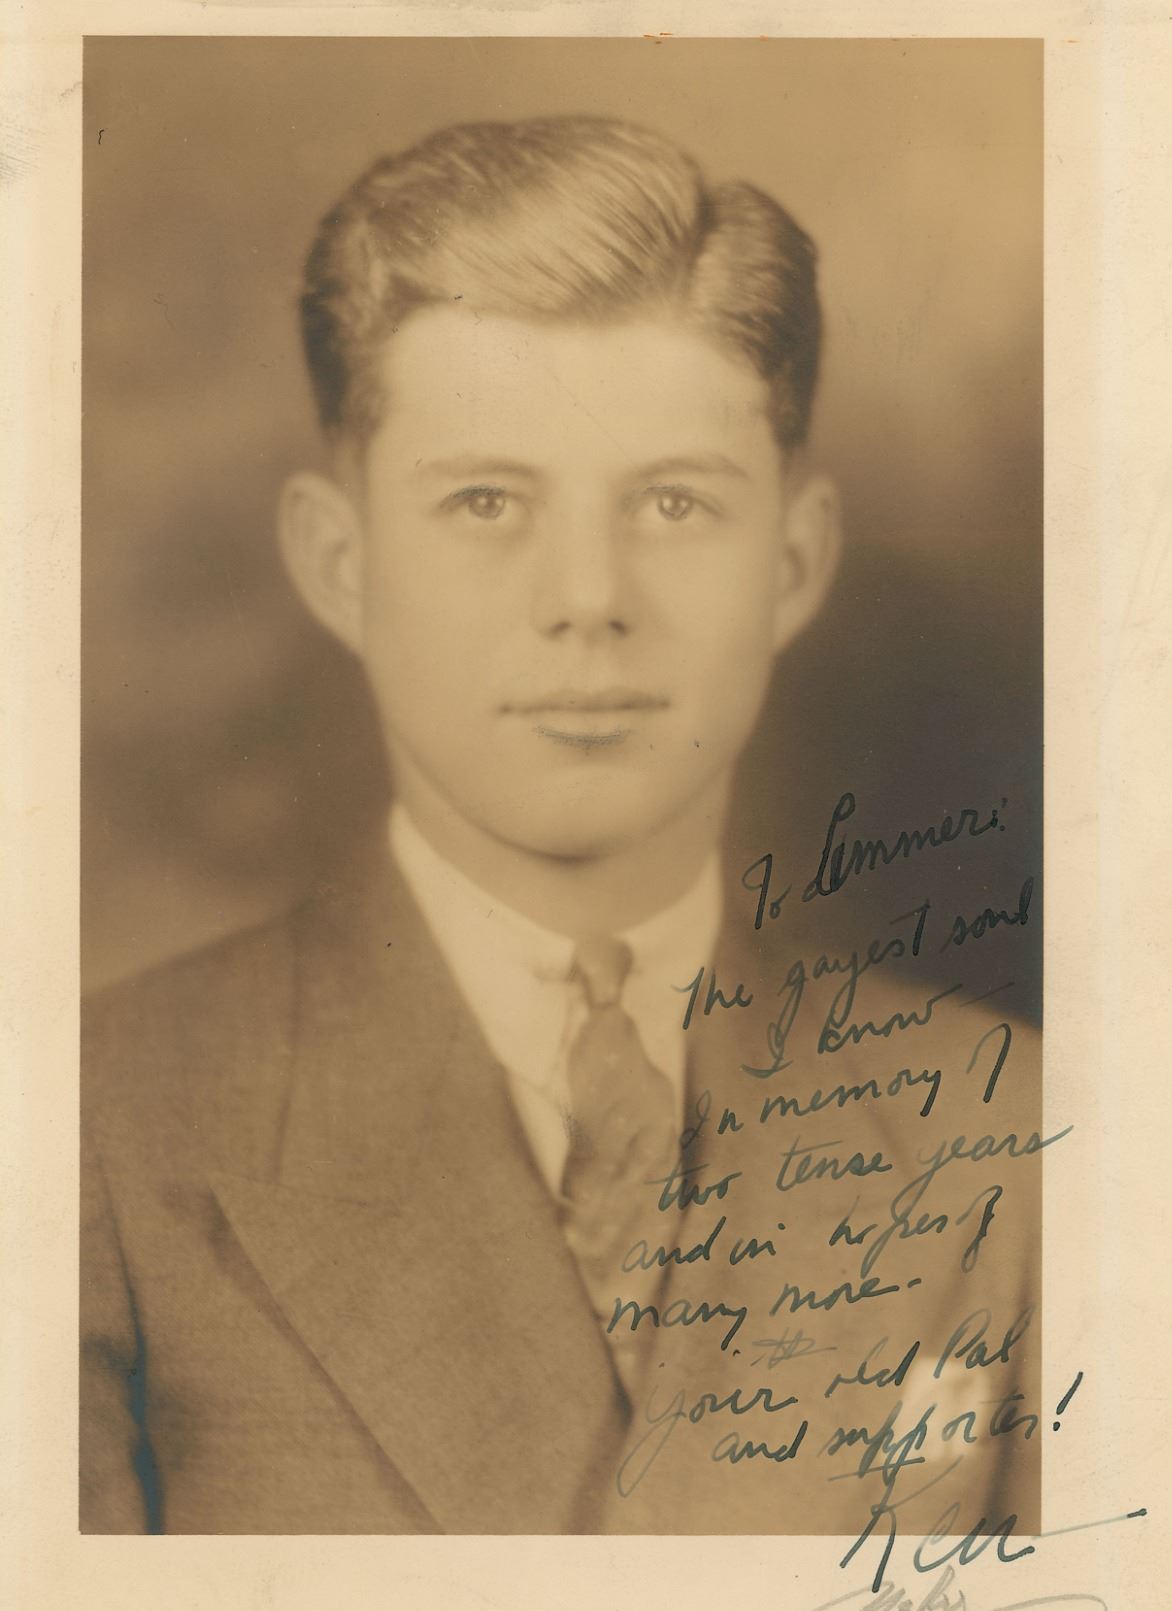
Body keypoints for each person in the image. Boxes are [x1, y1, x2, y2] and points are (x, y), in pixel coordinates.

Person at [81, 116, 1042, 1539]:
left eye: (672, 501)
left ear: (793, 563)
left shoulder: (1009, 1131)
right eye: (485, 501)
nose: (587, 596)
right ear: (339, 566)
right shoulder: (85, 1123)